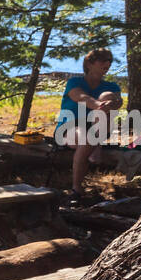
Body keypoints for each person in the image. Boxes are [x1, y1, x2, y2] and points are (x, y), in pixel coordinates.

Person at [55, 48, 122, 199]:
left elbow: (118, 102)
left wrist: (110, 103)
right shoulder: (75, 82)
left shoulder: (112, 87)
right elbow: (82, 98)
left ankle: (96, 141)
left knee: (107, 96)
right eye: (102, 60)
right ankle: (77, 188)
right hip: (71, 127)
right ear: (89, 63)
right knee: (86, 138)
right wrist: (99, 106)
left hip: (98, 127)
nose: (107, 63)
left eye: (109, 61)